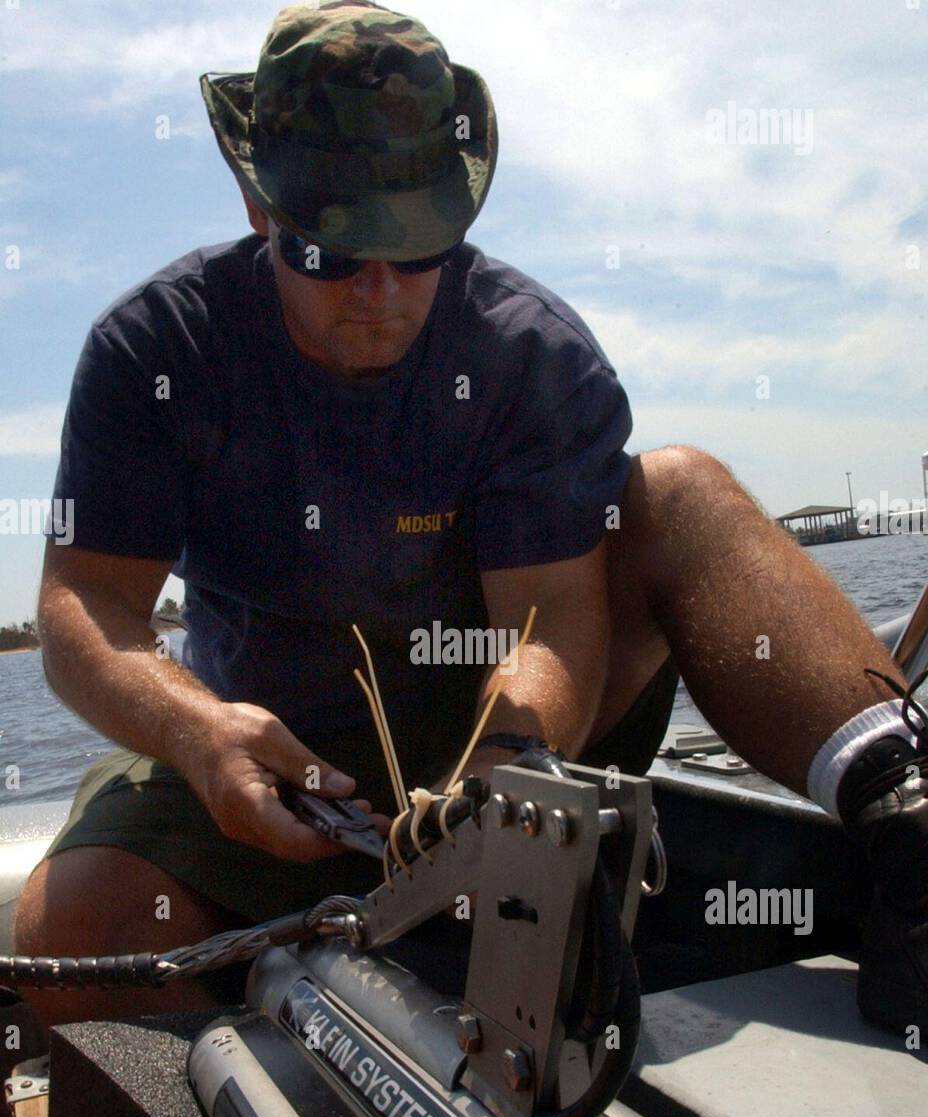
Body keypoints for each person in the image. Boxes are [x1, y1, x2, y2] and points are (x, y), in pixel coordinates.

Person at [12, 1, 928, 1040]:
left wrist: (504, 766)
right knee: (75, 937)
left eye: (417, 249)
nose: (377, 292)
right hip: (264, 757)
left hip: (515, 743)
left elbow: (548, 617)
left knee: (677, 487)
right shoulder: (156, 354)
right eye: (331, 252)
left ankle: (900, 804)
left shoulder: (527, 355)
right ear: (257, 202)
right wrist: (197, 730)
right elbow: (85, 601)